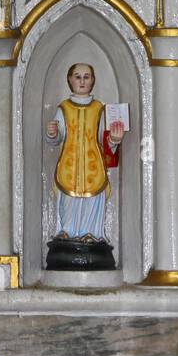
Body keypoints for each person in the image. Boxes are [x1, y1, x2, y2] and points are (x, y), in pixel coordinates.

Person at [44, 62, 123, 242]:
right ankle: (66, 231)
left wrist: (114, 140)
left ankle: (92, 233)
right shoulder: (63, 108)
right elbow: (55, 139)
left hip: (92, 167)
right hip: (69, 167)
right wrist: (52, 134)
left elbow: (106, 141)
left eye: (86, 77)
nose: (82, 81)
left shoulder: (99, 109)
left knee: (92, 200)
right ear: (70, 80)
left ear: (92, 81)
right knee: (68, 200)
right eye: (77, 77)